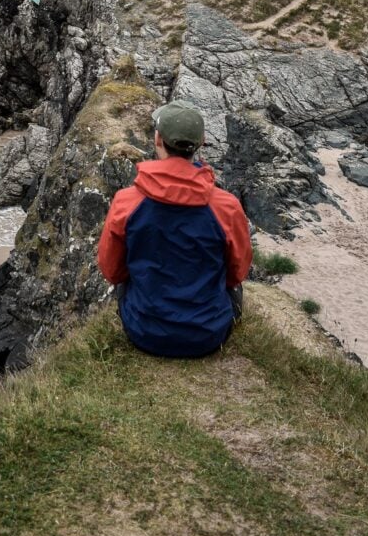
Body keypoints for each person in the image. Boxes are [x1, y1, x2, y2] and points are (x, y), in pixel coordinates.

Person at [97, 99, 252, 358]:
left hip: (143, 331)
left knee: (126, 282)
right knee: (233, 287)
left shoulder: (126, 201)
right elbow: (237, 273)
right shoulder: (227, 206)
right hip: (208, 335)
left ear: (158, 139)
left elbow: (112, 270)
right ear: (201, 143)